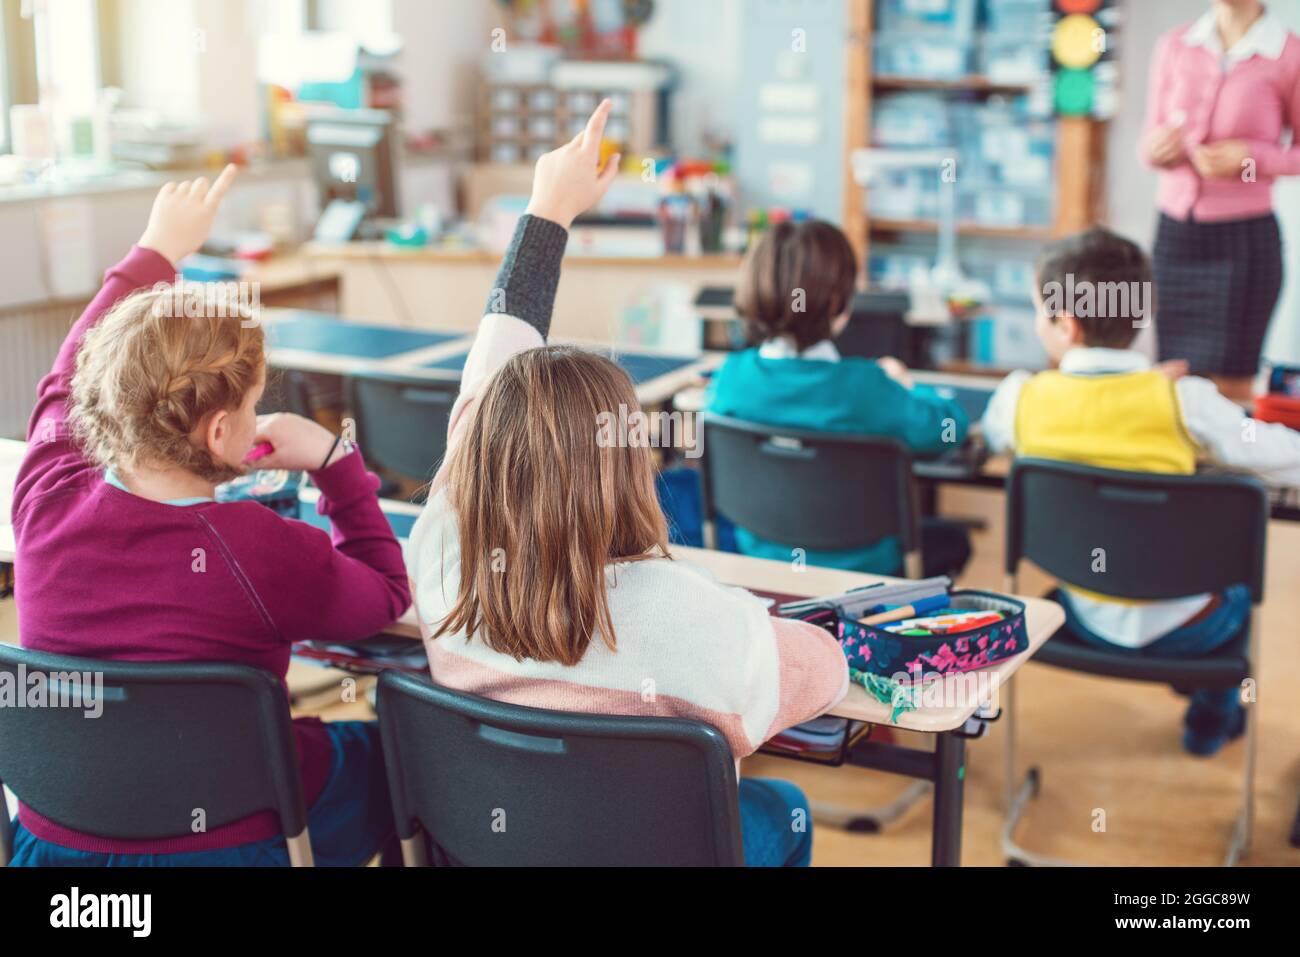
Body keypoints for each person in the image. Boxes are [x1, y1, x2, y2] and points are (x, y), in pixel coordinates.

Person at [406, 102, 849, 865]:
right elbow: (823, 671)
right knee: (784, 809)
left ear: (478, 450)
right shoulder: (687, 616)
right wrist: (752, 616)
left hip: (499, 842)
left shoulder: (440, 548)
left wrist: (548, 210)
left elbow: (486, 379)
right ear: (626, 463)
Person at [9, 166, 410, 865]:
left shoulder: (44, 495)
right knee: (397, 755)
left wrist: (155, 249)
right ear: (222, 432)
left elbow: (60, 385)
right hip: (223, 848)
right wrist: (335, 461)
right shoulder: (267, 549)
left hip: (60, 852)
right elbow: (387, 593)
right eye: (255, 404)